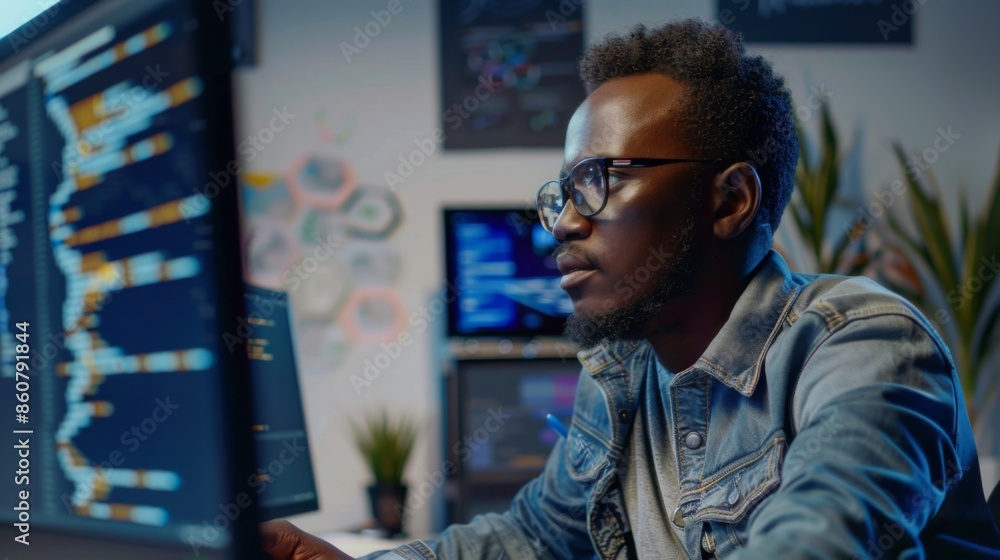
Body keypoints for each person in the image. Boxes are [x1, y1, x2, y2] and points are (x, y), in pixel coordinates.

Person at [261, 19, 1000, 559]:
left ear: (730, 200)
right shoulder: (622, 369)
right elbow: (532, 537)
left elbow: (820, 539)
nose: (563, 223)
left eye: (597, 180)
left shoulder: (863, 345)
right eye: (561, 193)